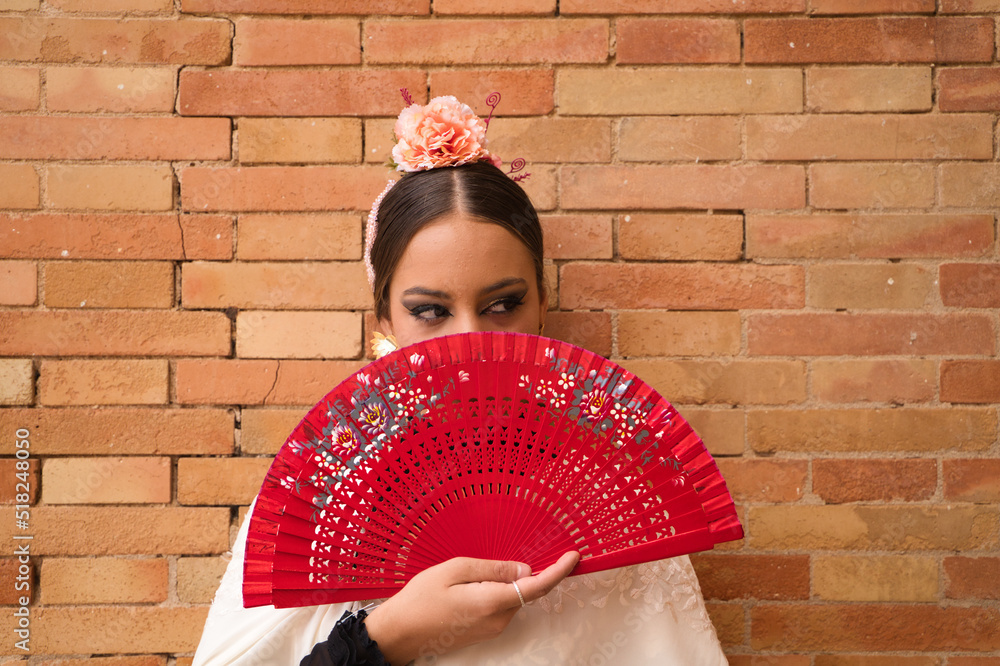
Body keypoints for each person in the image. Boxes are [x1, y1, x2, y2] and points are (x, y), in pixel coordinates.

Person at [192, 95, 728, 665]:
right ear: (385, 321)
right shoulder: (325, 494)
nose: (471, 341)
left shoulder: (616, 494)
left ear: (542, 306)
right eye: (430, 311)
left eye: (503, 304)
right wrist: (386, 637)